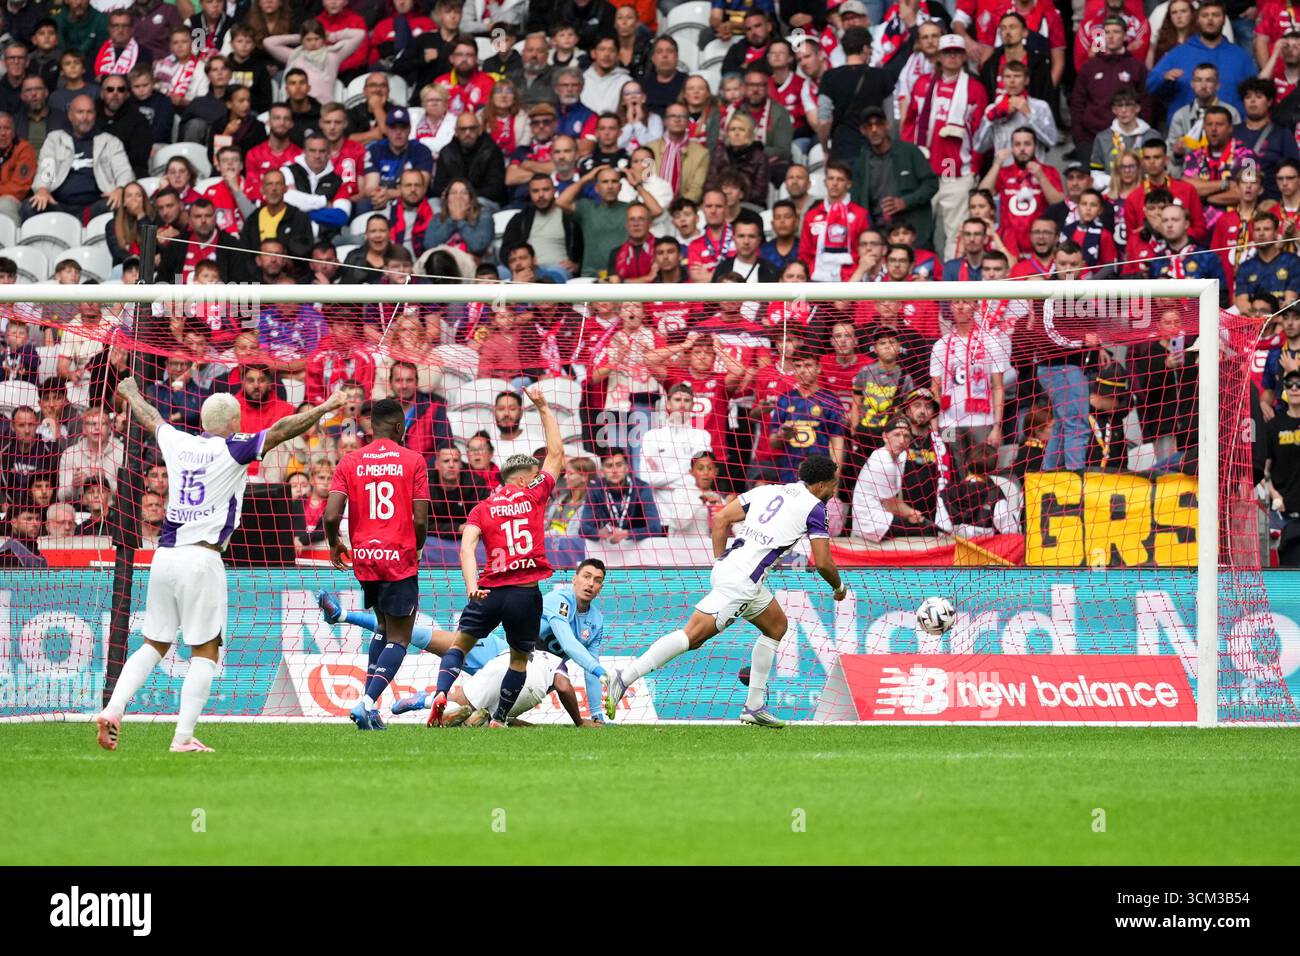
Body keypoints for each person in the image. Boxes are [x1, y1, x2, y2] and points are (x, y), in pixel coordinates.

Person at [96, 379, 347, 753]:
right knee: (206, 651)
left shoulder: (178, 441)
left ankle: (114, 709)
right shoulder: (234, 449)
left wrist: (130, 393)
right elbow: (280, 430)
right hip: (202, 557)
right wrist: (326, 406)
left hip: (164, 556)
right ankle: (182, 738)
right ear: (234, 422)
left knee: (154, 643)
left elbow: (151, 418)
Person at [605, 454, 848, 726]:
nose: (834, 490)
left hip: (732, 568)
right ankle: (624, 677)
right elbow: (824, 563)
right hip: (742, 581)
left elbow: (720, 519)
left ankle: (754, 707)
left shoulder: (769, 490)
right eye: (834, 484)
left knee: (777, 626)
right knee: (693, 636)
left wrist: (721, 562)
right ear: (822, 485)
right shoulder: (815, 508)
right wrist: (839, 588)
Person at [424, 385, 564, 728]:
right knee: (519, 659)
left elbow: (467, 547)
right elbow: (557, 454)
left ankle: (441, 693)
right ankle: (499, 718)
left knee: (459, 645)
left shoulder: (482, 507)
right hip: (523, 592)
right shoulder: (534, 496)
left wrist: (472, 585)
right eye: (534, 473)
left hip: (488, 590)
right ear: (524, 478)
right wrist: (543, 406)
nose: (539, 476)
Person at [323, 397, 430, 731]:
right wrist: (417, 548)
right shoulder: (413, 460)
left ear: (370, 426)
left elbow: (329, 515)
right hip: (399, 556)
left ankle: (370, 709)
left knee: (382, 629)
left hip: (366, 557)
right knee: (400, 637)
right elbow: (421, 520)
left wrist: (334, 543)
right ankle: (366, 703)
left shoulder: (350, 460)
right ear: (400, 427)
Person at [23, 93, 131, 220]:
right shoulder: (55, 139)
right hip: (58, 205)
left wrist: (120, 189)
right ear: (70, 115)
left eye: (89, 112)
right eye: (80, 112)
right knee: (29, 207)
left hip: (95, 206)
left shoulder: (110, 141)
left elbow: (124, 171)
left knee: (121, 204)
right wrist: (42, 190)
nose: (85, 117)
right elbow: (46, 170)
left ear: (95, 115)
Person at [851, 105, 938, 247]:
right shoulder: (861, 162)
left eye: (878, 124)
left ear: (887, 125)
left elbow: (932, 184)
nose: (874, 130)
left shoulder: (909, 151)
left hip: (912, 232)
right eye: (869, 126)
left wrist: (905, 202)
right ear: (863, 130)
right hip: (878, 235)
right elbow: (856, 202)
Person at [852, 414, 926, 542]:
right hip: (872, 523)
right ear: (885, 437)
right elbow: (891, 505)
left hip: (880, 517)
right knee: (926, 529)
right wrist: (912, 513)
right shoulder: (883, 460)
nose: (902, 440)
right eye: (897, 435)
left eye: (906, 436)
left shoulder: (899, 456)